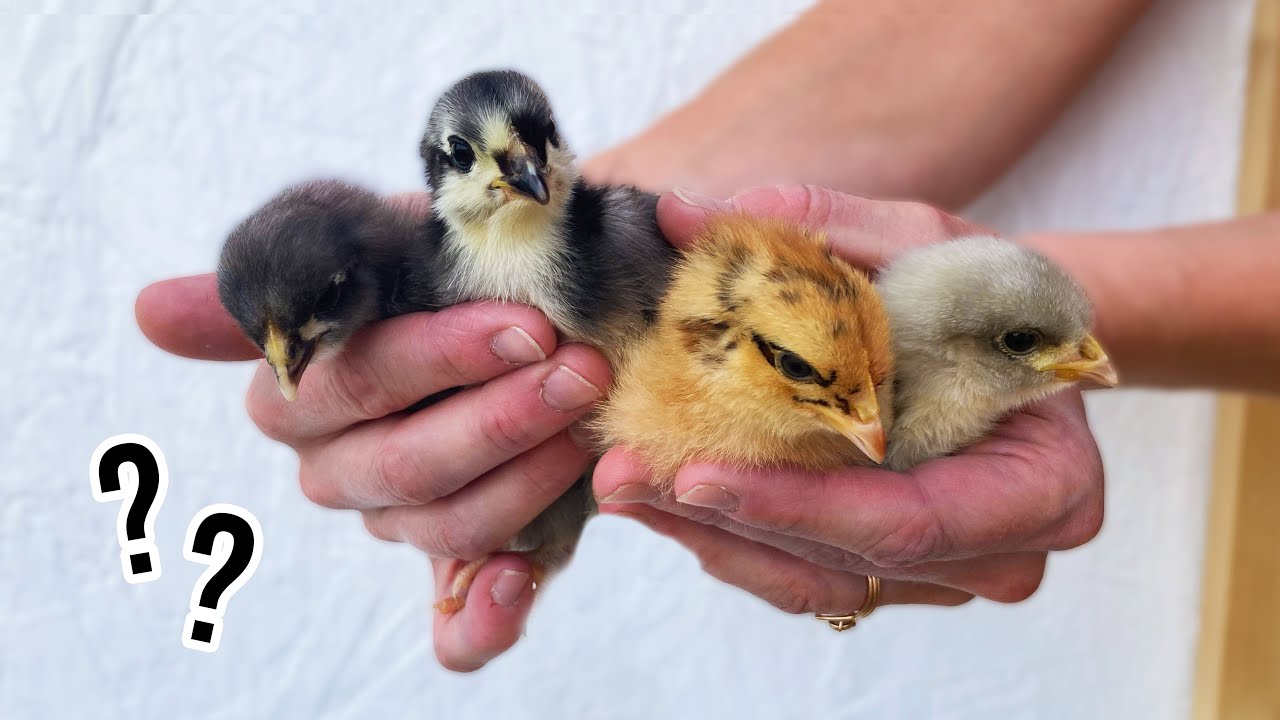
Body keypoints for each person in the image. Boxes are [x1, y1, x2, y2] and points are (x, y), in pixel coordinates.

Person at [134, 1, 1280, 672]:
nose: (518, 170)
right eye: (475, 161)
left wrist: (981, 330)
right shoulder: (472, 268)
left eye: (529, 142)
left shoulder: (620, 246)